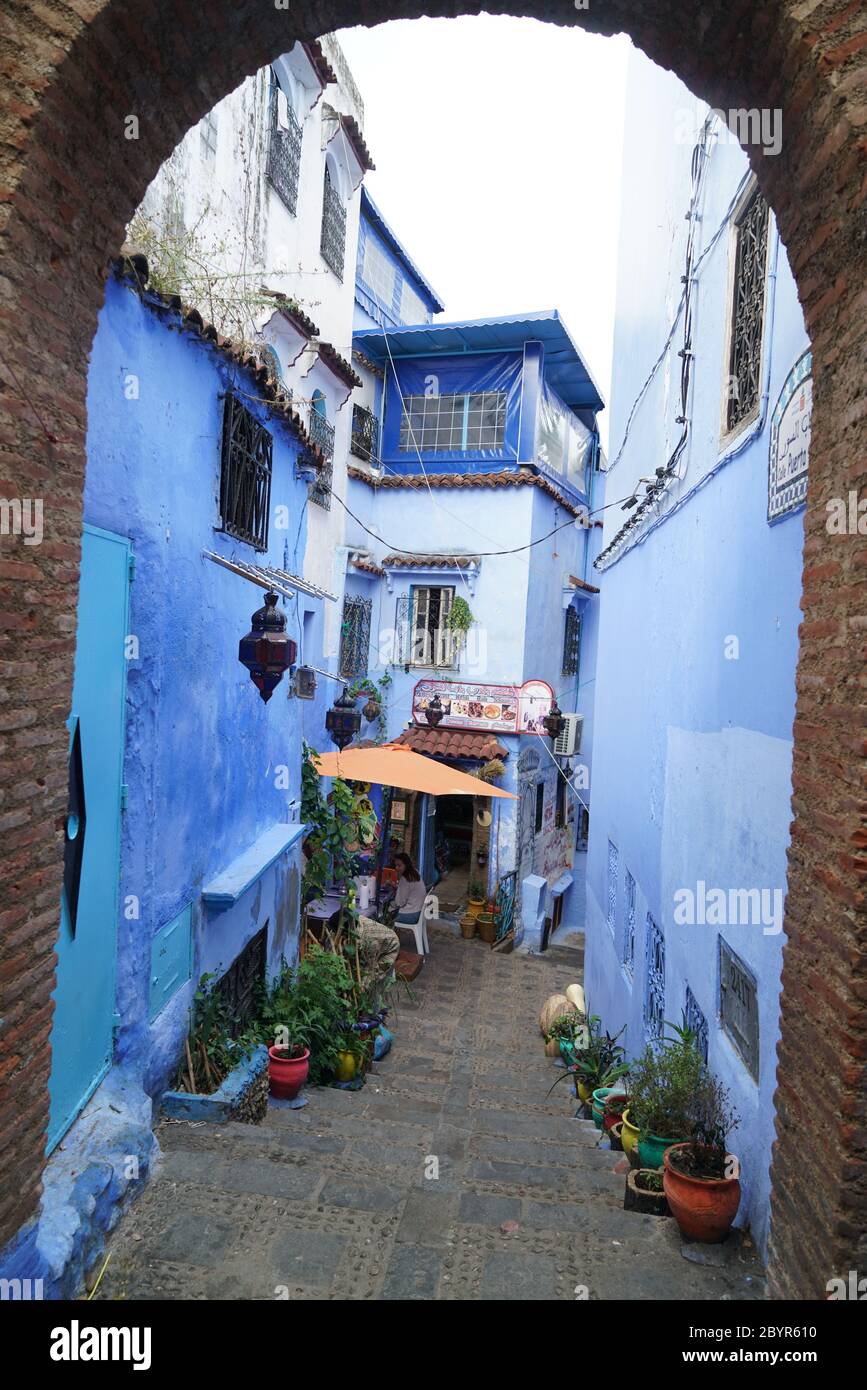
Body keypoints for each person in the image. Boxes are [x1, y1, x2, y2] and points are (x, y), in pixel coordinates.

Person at [392, 852, 427, 923]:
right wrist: (395, 887)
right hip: (419, 912)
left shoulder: (405, 878)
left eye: (399, 865)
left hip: (411, 914)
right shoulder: (415, 872)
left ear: (406, 865)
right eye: (395, 865)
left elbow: (399, 903)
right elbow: (408, 890)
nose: (396, 868)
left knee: (384, 915)